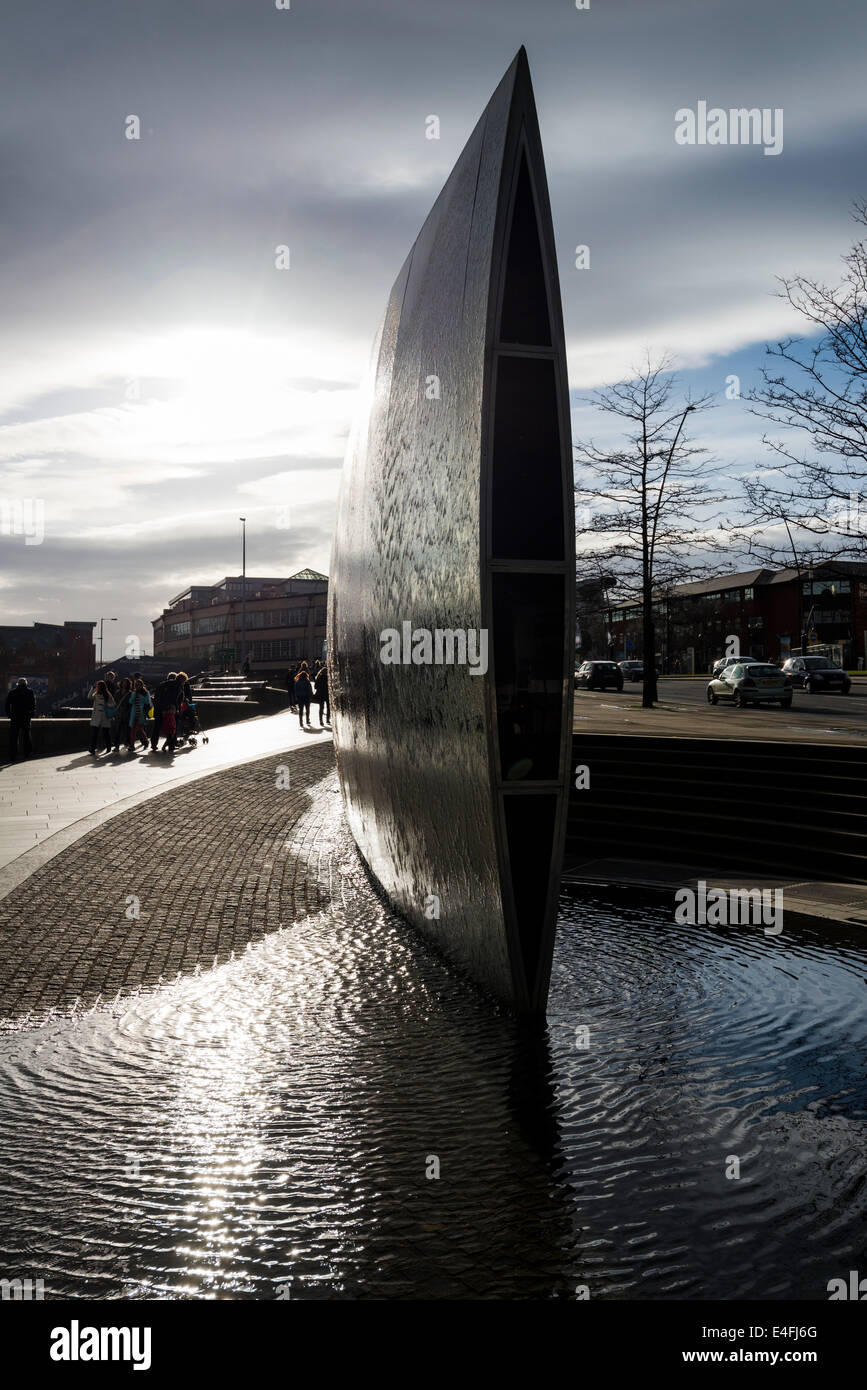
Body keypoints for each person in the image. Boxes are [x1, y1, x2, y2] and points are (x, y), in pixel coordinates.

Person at [5, 677, 36, 761]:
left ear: (17, 684)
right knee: (26, 736)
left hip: (15, 717)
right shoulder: (30, 692)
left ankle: (13, 754)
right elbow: (33, 705)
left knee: (14, 737)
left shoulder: (12, 692)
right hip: (26, 717)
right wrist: (31, 714)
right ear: (26, 684)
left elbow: (7, 704)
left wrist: (9, 715)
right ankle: (27, 753)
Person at [151, 673, 180, 752]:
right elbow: (174, 699)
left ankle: (154, 744)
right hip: (169, 711)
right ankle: (171, 745)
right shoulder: (175, 686)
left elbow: (156, 698)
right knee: (171, 728)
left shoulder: (161, 685)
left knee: (156, 728)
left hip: (158, 710)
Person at [89, 680, 114, 755]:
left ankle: (108, 747)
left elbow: (113, 704)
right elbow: (89, 697)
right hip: (96, 716)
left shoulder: (108, 695)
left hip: (105, 716)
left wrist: (106, 706)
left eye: (98, 686)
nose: (97, 688)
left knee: (106, 733)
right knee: (94, 734)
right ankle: (92, 749)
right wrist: (92, 688)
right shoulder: (95, 694)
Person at [128, 678, 151, 753]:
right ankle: (132, 745)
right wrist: (134, 695)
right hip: (134, 713)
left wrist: (140, 695)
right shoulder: (134, 693)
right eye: (136, 685)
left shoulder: (146, 692)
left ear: (142, 685)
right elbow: (130, 701)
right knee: (133, 730)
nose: (137, 686)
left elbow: (147, 701)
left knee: (140, 729)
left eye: (139, 685)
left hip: (141, 713)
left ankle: (146, 740)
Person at [112, 677, 134, 753]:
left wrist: (129, 713)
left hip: (126, 714)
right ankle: (116, 746)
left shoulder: (130, 693)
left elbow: (131, 704)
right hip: (118, 714)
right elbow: (115, 703)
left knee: (127, 730)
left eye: (126, 683)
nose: (124, 684)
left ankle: (128, 743)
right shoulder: (118, 692)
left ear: (128, 684)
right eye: (123, 682)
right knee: (117, 730)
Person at [294, 663, 314, 728]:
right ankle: (307, 720)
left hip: (300, 697)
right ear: (306, 676)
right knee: (307, 709)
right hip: (306, 697)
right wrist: (311, 696)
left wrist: (296, 697)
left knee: (301, 710)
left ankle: (301, 722)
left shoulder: (297, 682)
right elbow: (310, 690)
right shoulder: (307, 682)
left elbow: (296, 690)